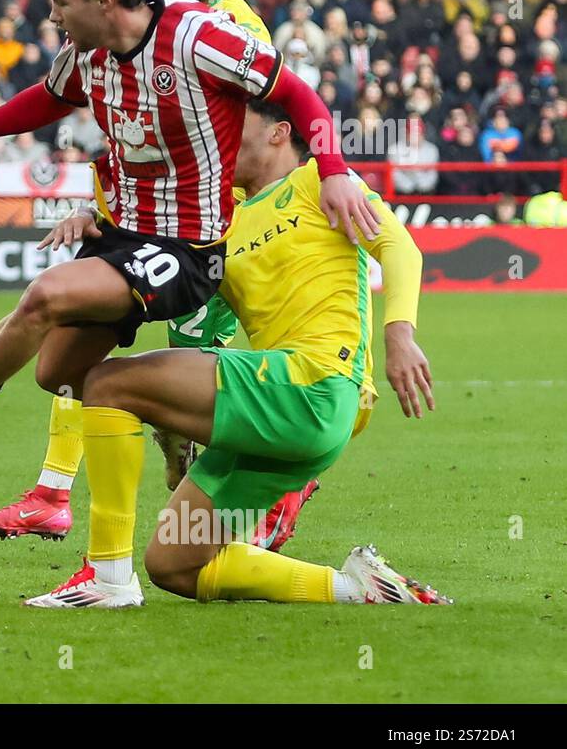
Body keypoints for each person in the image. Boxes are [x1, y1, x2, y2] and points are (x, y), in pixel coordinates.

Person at [0, 0, 376, 478]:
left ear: (105, 0)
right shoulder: (87, 48)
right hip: (122, 234)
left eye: (61, 2)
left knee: (45, 295)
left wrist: (332, 170)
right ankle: (166, 408)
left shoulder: (197, 36)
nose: (53, 15)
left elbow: (299, 95)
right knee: (56, 374)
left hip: (186, 249)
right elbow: (49, 98)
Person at [0, 0, 313, 547]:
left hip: (213, 236)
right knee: (94, 350)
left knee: (174, 397)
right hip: (152, 225)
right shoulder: (146, 20)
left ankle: (271, 480)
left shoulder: (235, 30)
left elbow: (256, 144)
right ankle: (56, 495)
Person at [26, 99, 448, 608]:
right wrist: (105, 238)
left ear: (278, 133)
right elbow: (176, 311)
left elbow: (399, 247)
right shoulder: (221, 225)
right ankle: (357, 588)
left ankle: (107, 579)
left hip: (314, 383)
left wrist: (399, 335)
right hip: (277, 418)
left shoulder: (320, 181)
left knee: (108, 384)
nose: (218, 139)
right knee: (175, 564)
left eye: (233, 127)